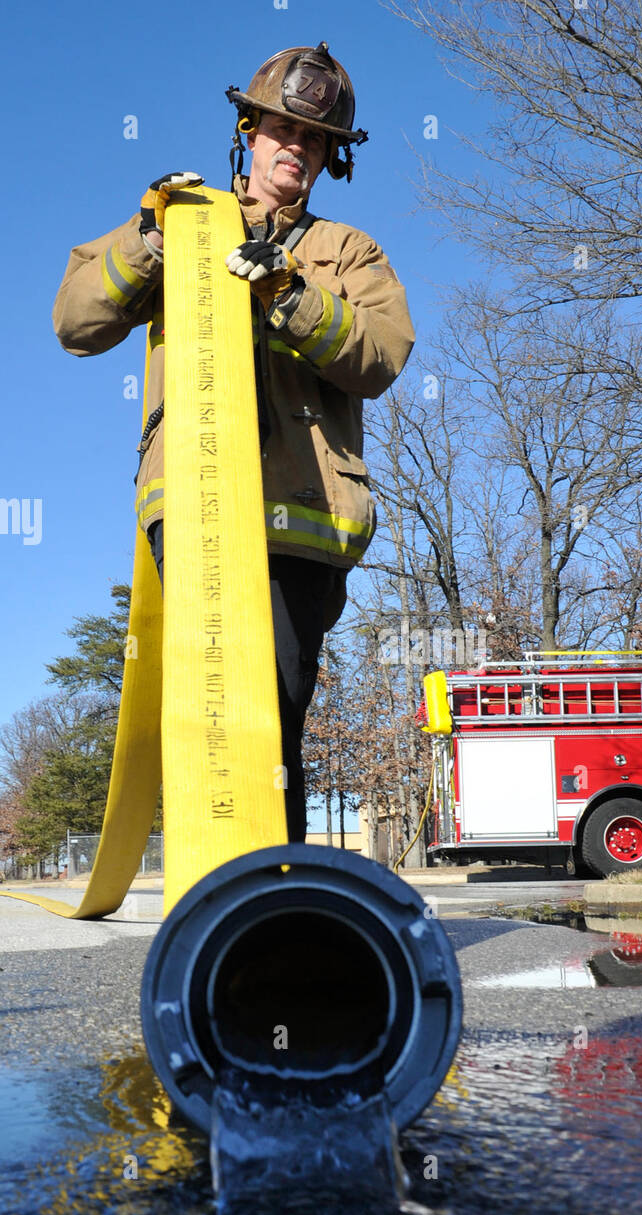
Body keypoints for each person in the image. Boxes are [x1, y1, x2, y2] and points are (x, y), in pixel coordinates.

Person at [53, 43, 415, 841]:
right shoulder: (180, 222)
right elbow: (76, 323)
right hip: (192, 507)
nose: (297, 147)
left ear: (329, 158)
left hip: (299, 519)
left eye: (315, 139)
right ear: (249, 132)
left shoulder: (347, 252)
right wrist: (149, 239)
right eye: (282, 129)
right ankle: (213, 891)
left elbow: (382, 356)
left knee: (273, 716)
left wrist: (287, 292)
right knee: (203, 711)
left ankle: (268, 899)